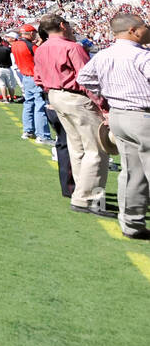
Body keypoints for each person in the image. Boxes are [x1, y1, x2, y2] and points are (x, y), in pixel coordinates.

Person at [77, 12, 150, 239]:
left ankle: (131, 223)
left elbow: (84, 78)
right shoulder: (141, 56)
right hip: (143, 115)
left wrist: (106, 96)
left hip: (119, 115)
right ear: (133, 30)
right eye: (144, 25)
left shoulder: (104, 54)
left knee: (132, 172)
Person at [35, 13, 110, 217]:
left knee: (76, 148)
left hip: (56, 96)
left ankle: (80, 193)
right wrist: (103, 107)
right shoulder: (72, 47)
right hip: (76, 97)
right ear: (62, 25)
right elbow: (88, 80)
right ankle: (90, 199)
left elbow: (38, 78)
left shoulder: (41, 48)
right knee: (96, 149)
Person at [11, 26, 52, 143]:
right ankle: (43, 135)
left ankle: (28, 130)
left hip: (25, 76)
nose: (35, 36)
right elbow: (41, 58)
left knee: (28, 104)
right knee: (40, 105)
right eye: (34, 33)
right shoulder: (31, 46)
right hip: (35, 76)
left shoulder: (15, 44)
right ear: (29, 33)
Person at [0, 34, 19, 102]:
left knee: (2, 84)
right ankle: (12, 98)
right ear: (1, 40)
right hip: (8, 68)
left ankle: (5, 98)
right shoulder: (6, 48)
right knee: (10, 85)